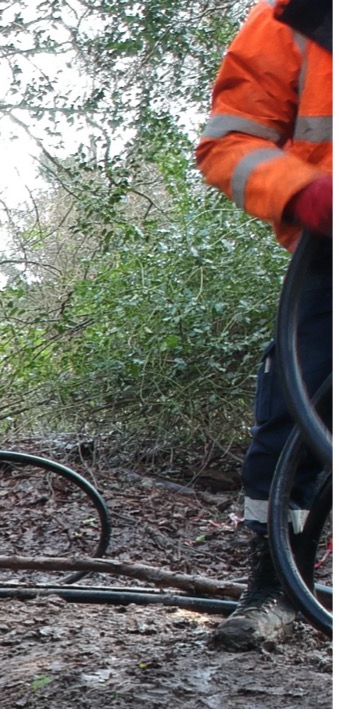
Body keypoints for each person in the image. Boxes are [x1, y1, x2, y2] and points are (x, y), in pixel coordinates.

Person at [195, 0, 332, 649]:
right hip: (328, 251)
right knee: (294, 415)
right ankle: (278, 586)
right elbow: (229, 142)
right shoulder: (295, 18)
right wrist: (302, 191)